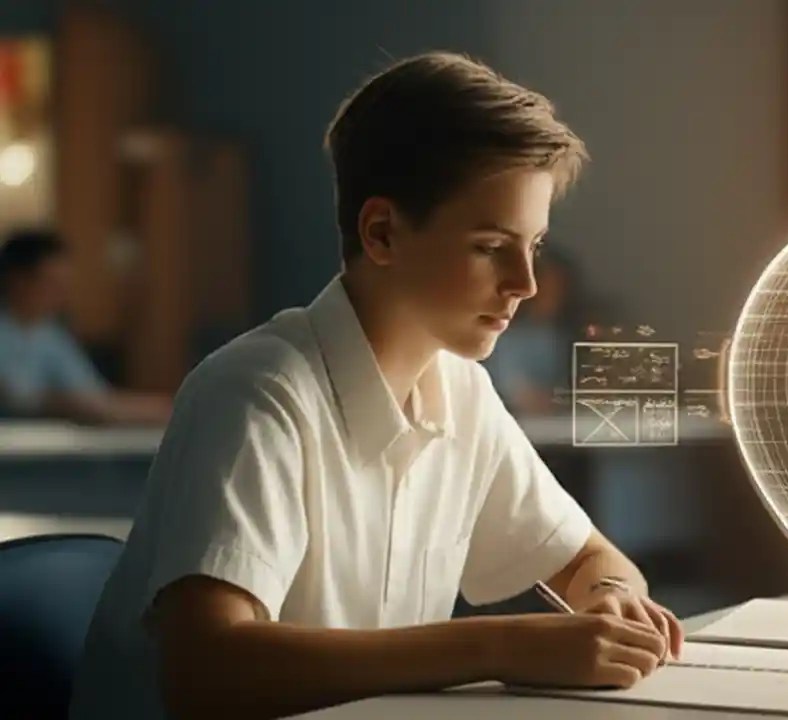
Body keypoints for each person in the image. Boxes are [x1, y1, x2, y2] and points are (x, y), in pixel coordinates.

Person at [70, 51, 684, 720]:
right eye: (490, 246)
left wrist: (611, 595)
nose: (526, 283)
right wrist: (499, 645)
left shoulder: (463, 392)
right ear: (382, 233)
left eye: (533, 245)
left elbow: (590, 558)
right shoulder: (257, 394)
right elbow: (207, 671)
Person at [0, 229, 171, 425]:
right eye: (52, 284)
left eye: (64, 286)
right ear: (18, 281)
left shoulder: (51, 336)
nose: (61, 296)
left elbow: (93, 396)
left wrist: (160, 408)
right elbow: (20, 396)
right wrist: (66, 402)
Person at [485, 248, 576, 417]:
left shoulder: (562, 336)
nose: (553, 296)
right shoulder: (508, 337)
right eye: (547, 289)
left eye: (559, 289)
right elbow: (516, 390)